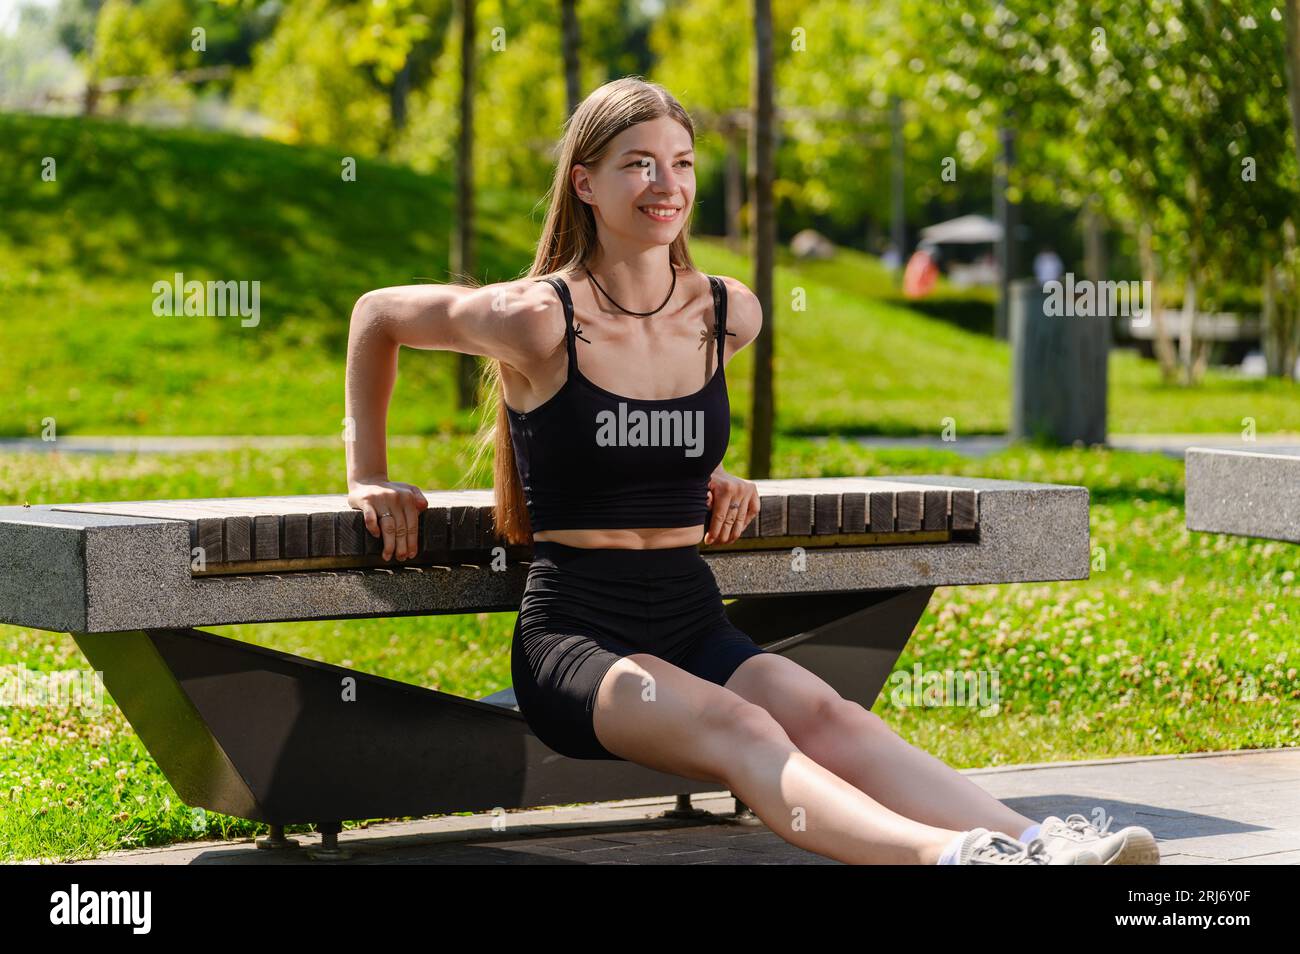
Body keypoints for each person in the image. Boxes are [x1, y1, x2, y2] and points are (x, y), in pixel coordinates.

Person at [343, 76, 1158, 866]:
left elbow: (659, 431)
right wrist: (367, 473)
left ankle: (1037, 842)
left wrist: (714, 468)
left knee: (829, 716)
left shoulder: (724, 312)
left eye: (683, 162)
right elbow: (377, 315)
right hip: (580, 636)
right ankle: (954, 858)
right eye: (639, 163)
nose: (667, 184)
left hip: (692, 618)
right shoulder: (537, 317)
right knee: (749, 731)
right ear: (585, 183)